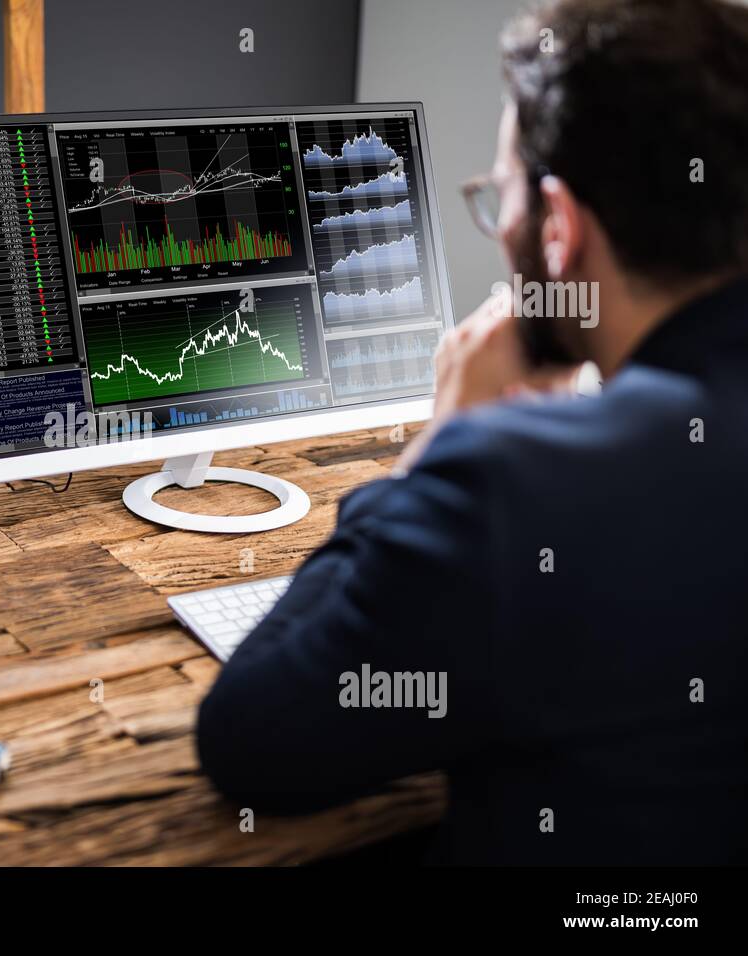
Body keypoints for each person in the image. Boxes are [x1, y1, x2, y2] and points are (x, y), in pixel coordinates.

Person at [196, 0, 748, 864]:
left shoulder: (515, 490)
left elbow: (252, 739)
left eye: (503, 195)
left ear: (559, 230)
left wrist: (428, 456)